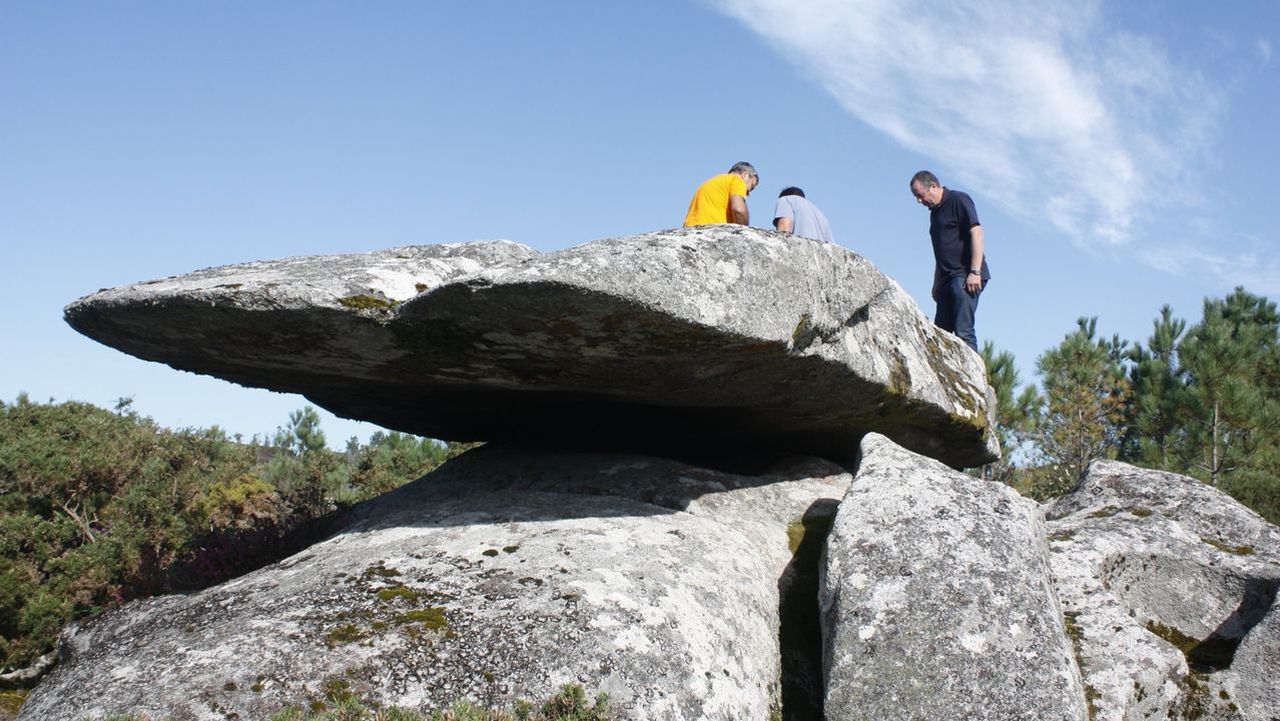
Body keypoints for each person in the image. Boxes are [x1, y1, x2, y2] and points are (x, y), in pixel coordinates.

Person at [909, 170, 990, 351]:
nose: (919, 201)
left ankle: (973, 370)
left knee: (963, 332)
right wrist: (936, 284)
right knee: (940, 336)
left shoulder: (958, 200)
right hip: (946, 280)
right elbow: (941, 254)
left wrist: (975, 271)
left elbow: (977, 232)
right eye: (916, 197)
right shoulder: (935, 214)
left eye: (920, 195)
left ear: (933, 186)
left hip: (965, 277)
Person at [683, 162, 758, 227]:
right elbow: (739, 210)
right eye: (751, 186)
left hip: (689, 229)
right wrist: (745, 232)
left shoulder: (713, 182)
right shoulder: (737, 180)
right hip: (711, 230)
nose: (748, 193)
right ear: (745, 175)